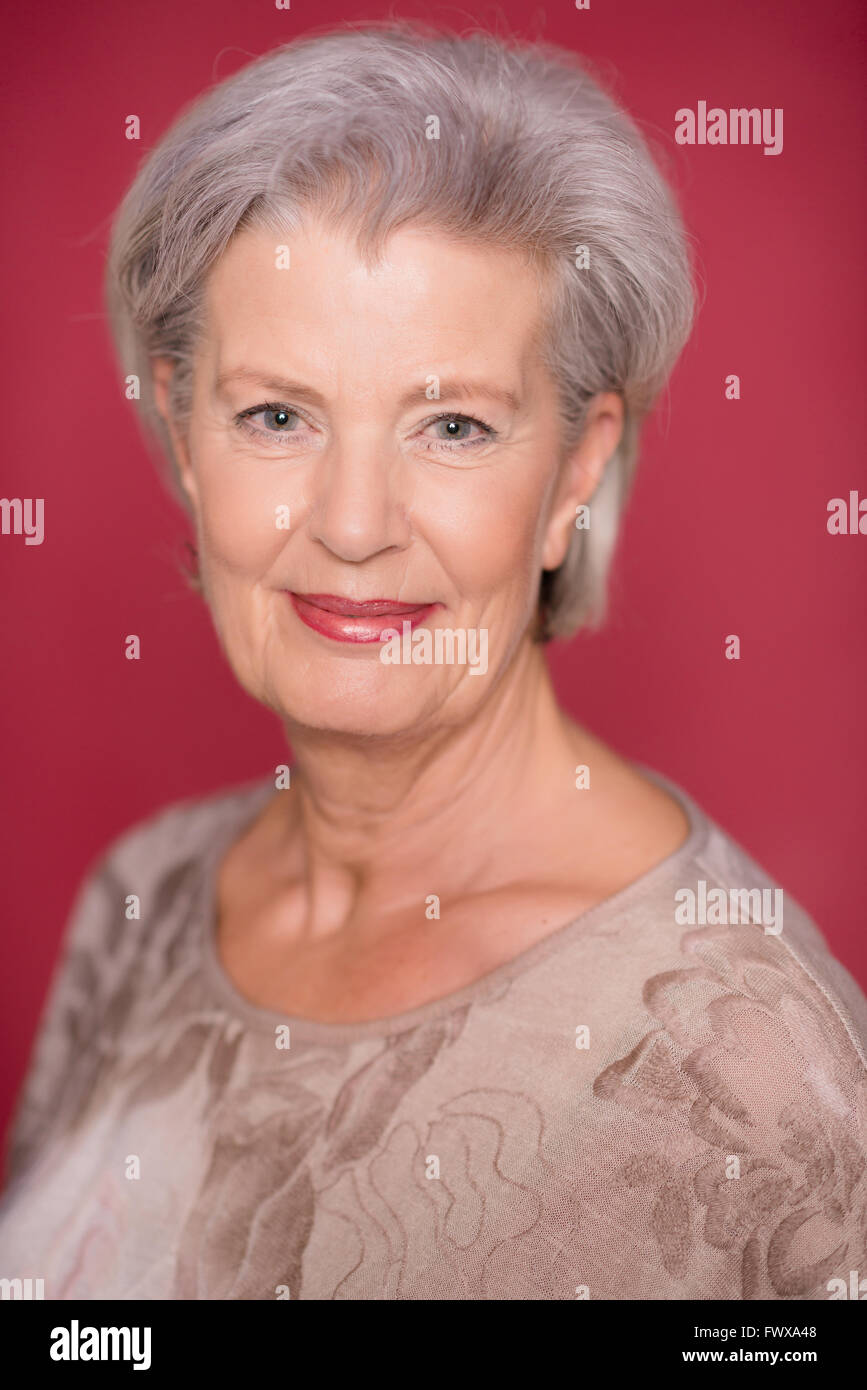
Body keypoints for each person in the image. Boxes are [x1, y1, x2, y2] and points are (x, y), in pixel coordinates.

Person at [1, 20, 865, 1301]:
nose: (352, 522)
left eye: (453, 424)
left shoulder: (736, 1068)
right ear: (184, 433)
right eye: (276, 415)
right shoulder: (147, 897)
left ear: (577, 465)